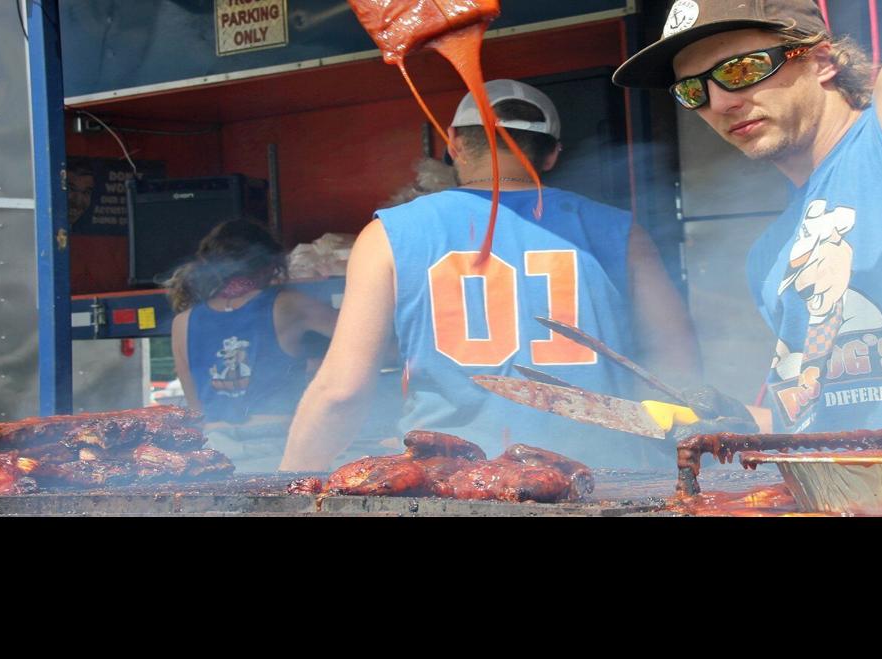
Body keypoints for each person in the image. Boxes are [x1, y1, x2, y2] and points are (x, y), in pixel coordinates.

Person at [613, 0, 882, 450]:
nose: (720, 101)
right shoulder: (770, 253)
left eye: (741, 70)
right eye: (692, 91)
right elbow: (816, 420)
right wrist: (739, 422)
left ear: (821, 61)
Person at [279, 79, 704, 470]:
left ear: (455, 144)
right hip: (603, 482)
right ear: (553, 154)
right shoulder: (621, 231)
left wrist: (286, 488)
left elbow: (341, 393)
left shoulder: (387, 235)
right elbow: (677, 366)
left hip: (450, 485)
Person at [167, 219, 339, 471]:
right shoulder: (288, 305)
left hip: (215, 452)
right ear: (271, 263)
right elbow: (369, 336)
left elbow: (196, 409)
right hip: (274, 447)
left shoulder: (182, 323)